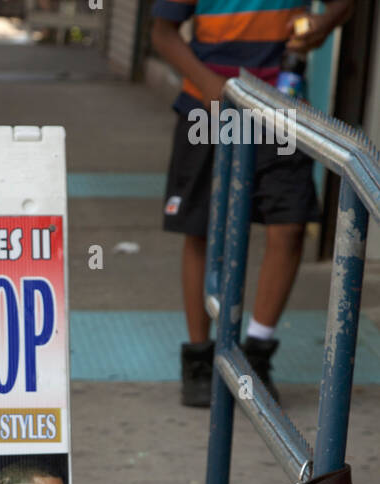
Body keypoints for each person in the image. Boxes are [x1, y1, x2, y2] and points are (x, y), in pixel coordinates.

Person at [151, 0, 353, 406]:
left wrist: (326, 21)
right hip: (208, 108)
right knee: (201, 229)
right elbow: (162, 33)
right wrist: (212, 88)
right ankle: (199, 359)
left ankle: (257, 355)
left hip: (281, 106)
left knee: (291, 224)